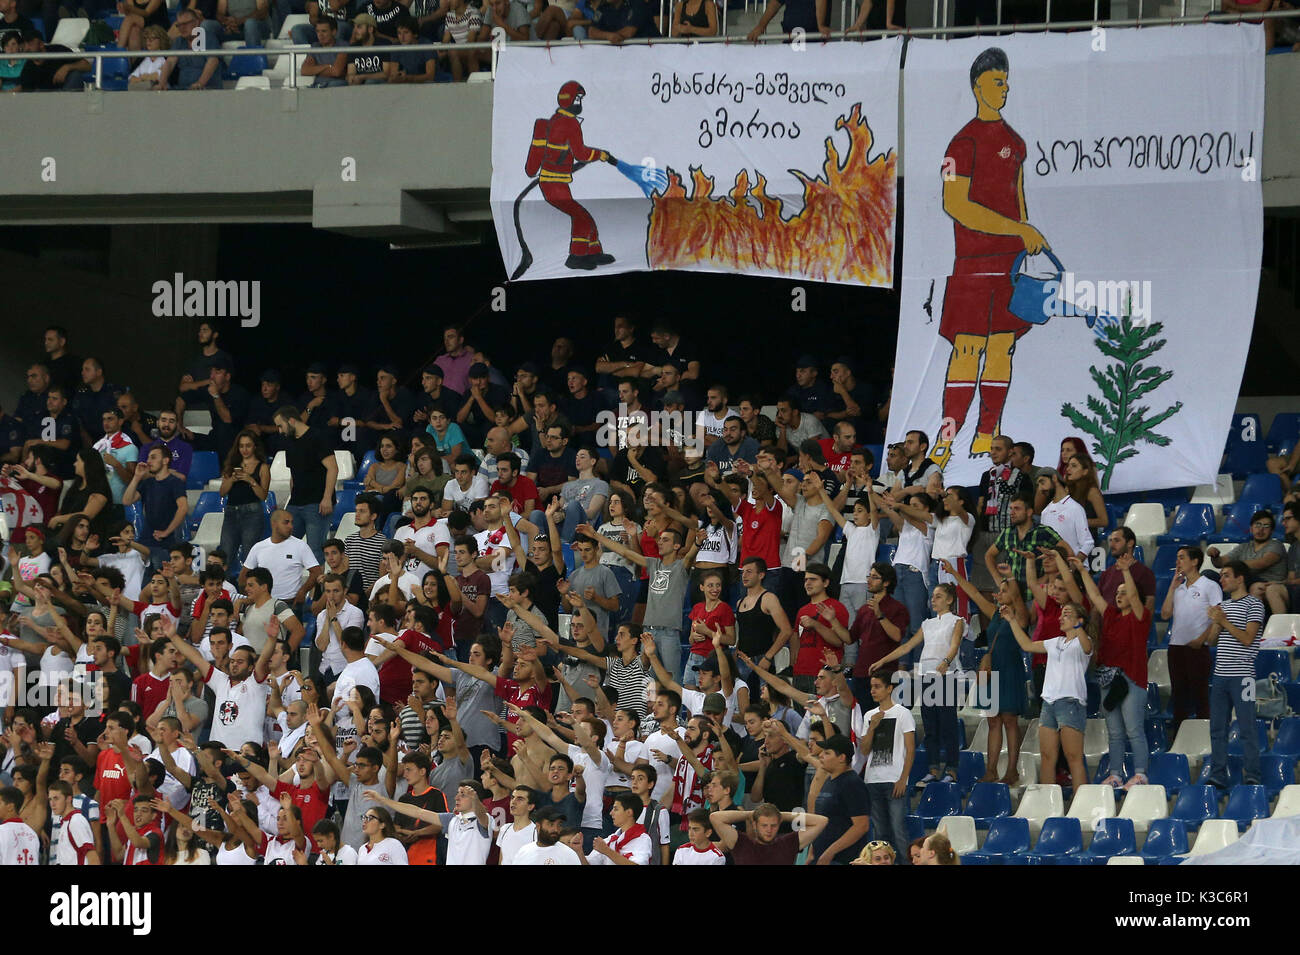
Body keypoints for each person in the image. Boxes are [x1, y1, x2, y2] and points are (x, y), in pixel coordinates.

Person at [944, 559, 1028, 784]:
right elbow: (973, 593)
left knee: (1010, 720)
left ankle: (1011, 770)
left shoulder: (1020, 614)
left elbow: (1018, 597)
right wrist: (954, 573)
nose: (997, 594)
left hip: (1010, 669)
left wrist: (1010, 577)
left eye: (1003, 591)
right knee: (993, 721)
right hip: (992, 671)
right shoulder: (995, 614)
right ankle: (991, 770)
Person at [870, 583, 963, 786]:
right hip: (927, 676)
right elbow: (908, 646)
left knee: (947, 725)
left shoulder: (956, 621)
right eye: (933, 596)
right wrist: (884, 660)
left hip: (945, 677)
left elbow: (954, 645)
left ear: (949, 600)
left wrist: (946, 662)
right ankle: (933, 768)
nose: (933, 600)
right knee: (930, 725)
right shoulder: (927, 624)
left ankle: (953, 769)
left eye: (939, 596)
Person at [1003, 601, 1095, 791]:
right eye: (1062, 614)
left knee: (1073, 757)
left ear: (1080, 620)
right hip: (1049, 703)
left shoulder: (1083, 642)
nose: (1061, 617)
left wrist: (1078, 627)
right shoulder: (1055, 642)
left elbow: (1087, 648)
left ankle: (1080, 806)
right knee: (1047, 756)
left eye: (1067, 614)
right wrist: (1012, 620)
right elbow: (1026, 645)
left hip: (1071, 702)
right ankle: (1049, 804)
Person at [1205, 561, 1265, 791]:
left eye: (1227, 575)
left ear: (1240, 578)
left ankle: (1253, 775)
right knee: (1217, 728)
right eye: (1221, 576)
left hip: (1244, 676)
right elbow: (1211, 641)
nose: (1222, 580)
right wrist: (1215, 624)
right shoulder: (1223, 606)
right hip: (1220, 676)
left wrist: (1223, 621)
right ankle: (1218, 775)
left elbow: (1248, 638)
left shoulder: (1255, 604)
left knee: (1248, 727)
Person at [1161, 546, 1221, 732]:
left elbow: (1217, 616)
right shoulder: (1178, 588)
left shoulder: (1209, 586)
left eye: (1182, 557)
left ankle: (1203, 738)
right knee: (1179, 696)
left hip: (1197, 648)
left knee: (1199, 695)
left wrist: (1201, 639)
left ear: (1195, 561)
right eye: (1177, 558)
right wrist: (1172, 587)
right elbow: (1164, 614)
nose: (1177, 562)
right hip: (1176, 648)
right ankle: (1179, 738)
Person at [857, 672, 915, 863]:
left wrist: (903, 779)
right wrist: (872, 727)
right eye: (871, 686)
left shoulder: (903, 713)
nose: (873, 690)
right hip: (872, 780)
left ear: (889, 688)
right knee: (880, 834)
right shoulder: (869, 715)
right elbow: (864, 750)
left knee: (898, 830)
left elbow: (910, 749)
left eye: (877, 686)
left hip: (894, 780)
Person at [274, 406, 338, 563]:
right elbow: (293, 475)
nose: (280, 431)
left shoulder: (317, 437)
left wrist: (327, 498)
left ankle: (317, 587)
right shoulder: (289, 442)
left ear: (291, 421)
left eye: (280, 426)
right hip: (296, 503)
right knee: (284, 547)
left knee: (315, 551)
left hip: (317, 503)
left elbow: (333, 468)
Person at [121, 446, 188, 568]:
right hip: (146, 537)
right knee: (145, 578)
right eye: (148, 458)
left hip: (166, 541)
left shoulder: (175, 482)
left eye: (153, 457)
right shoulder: (148, 483)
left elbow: (183, 508)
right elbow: (126, 501)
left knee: (161, 577)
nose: (148, 461)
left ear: (165, 461)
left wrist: (166, 532)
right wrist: (137, 477)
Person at [218, 429, 271, 575]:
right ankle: (224, 591)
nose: (244, 449)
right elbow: (222, 492)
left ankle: (250, 592)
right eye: (241, 446)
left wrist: (251, 481)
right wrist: (231, 480)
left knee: (250, 555)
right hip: (230, 512)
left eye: (248, 445)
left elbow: (263, 495)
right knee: (225, 553)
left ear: (255, 446)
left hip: (252, 513)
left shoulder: (263, 467)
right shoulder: (231, 465)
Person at [710, 803, 829, 865]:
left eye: (773, 825)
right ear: (755, 825)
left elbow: (821, 821)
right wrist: (749, 814)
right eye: (764, 825)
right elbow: (715, 817)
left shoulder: (788, 843)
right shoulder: (741, 842)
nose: (769, 830)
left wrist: (782, 815)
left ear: (779, 825)